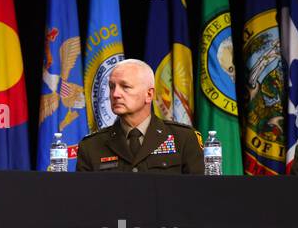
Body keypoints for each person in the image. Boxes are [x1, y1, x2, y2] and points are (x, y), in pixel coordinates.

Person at [76, 58, 204, 172]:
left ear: (149, 95)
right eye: (111, 87)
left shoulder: (184, 139)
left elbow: (197, 194)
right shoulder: (90, 146)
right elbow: (85, 197)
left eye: (125, 87)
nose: (115, 94)